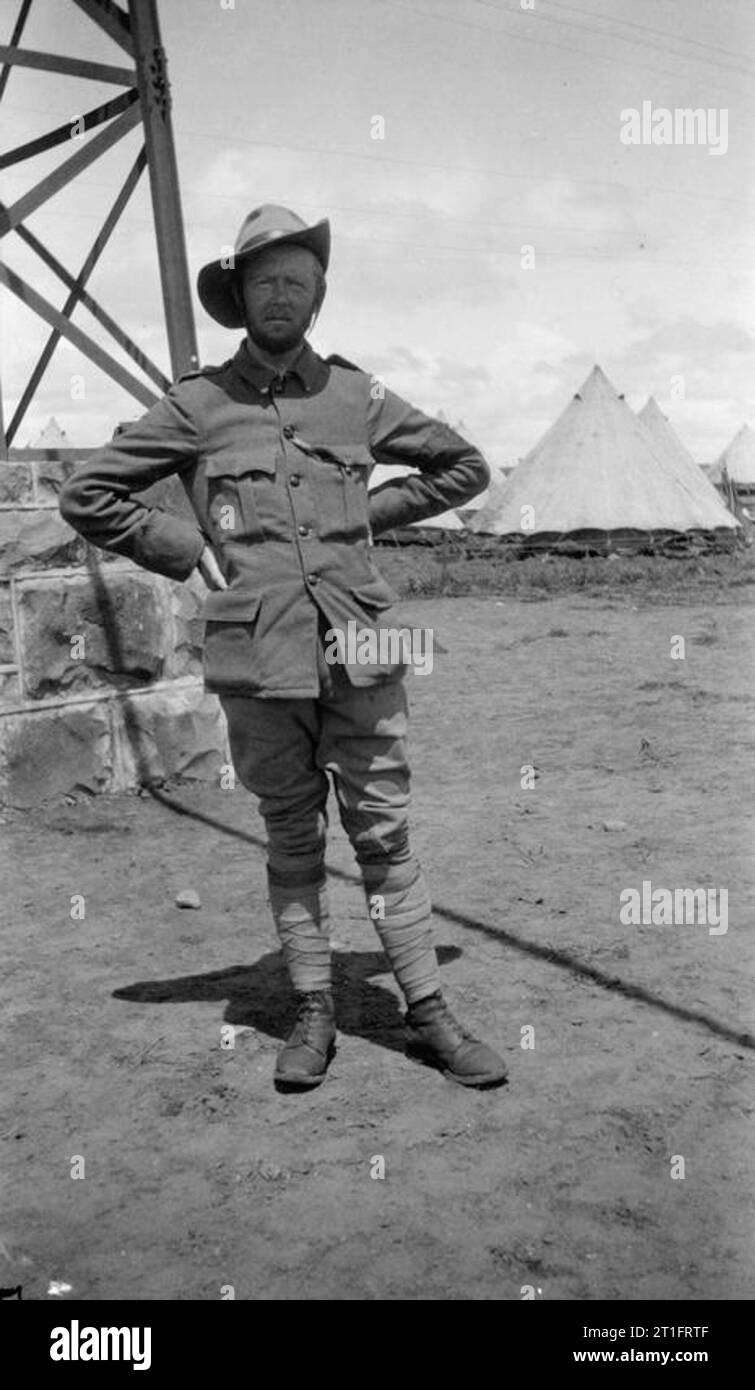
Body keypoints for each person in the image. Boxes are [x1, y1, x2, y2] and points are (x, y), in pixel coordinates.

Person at [59, 205, 508, 1091]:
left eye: (297, 280)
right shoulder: (199, 404)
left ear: (318, 295)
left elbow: (464, 467)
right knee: (292, 835)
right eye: (265, 280)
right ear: (240, 296)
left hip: (360, 652)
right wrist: (187, 552)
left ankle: (428, 1011)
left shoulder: (357, 395)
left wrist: (360, 516)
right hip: (258, 660)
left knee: (384, 832)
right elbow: (89, 493)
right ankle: (313, 1009)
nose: (281, 295)